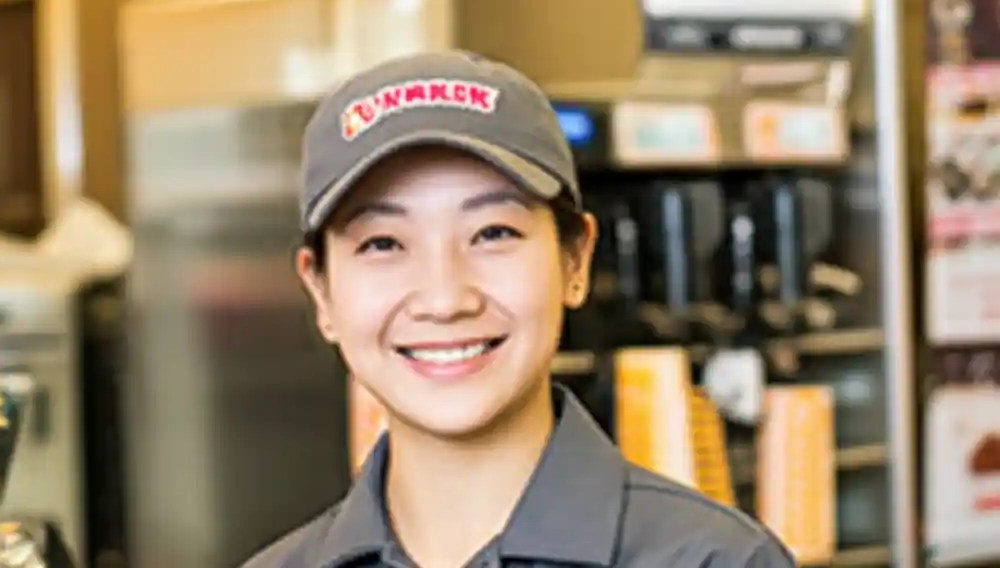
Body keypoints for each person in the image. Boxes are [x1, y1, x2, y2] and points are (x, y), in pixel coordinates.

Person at [242, 51, 796, 568]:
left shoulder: (714, 559)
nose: (445, 299)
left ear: (575, 260)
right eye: (383, 244)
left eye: (493, 233)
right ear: (321, 293)